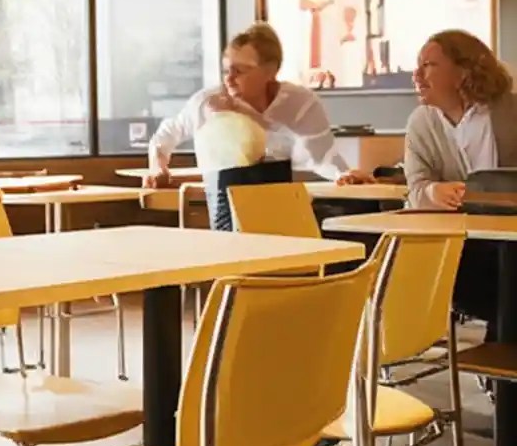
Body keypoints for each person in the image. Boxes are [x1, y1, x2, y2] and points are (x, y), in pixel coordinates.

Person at [144, 21, 371, 188]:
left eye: (240, 70)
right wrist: (157, 168)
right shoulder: (207, 103)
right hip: (219, 205)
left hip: (287, 201)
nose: (229, 78)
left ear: (270, 71)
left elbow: (319, 156)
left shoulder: (301, 102)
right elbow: (164, 137)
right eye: (226, 70)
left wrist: (346, 174)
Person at [404, 29, 517, 344]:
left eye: (429, 65)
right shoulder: (421, 123)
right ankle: (502, 381)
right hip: (462, 248)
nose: (417, 75)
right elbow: (415, 189)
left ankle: (502, 380)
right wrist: (432, 192)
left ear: (464, 71)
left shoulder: (511, 111)